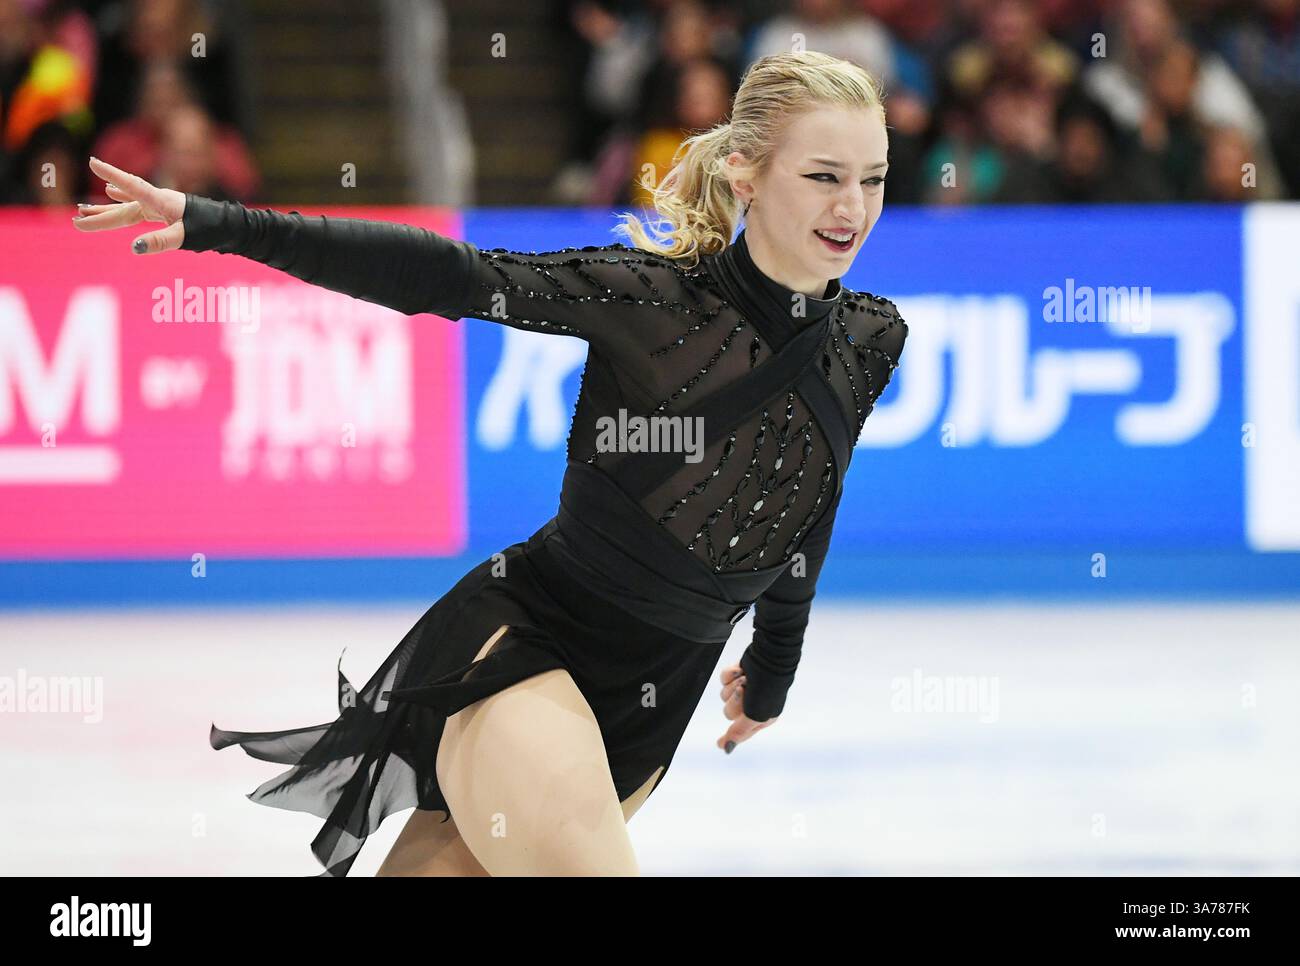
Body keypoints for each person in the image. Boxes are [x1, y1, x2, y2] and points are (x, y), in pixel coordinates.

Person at [70, 49, 909, 877]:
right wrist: (223, 224)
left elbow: (804, 497)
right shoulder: (649, 302)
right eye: (824, 176)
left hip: (655, 704)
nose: (852, 207)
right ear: (745, 174)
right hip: (528, 650)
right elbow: (450, 275)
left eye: (872, 179)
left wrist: (772, 667)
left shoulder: (871, 338)